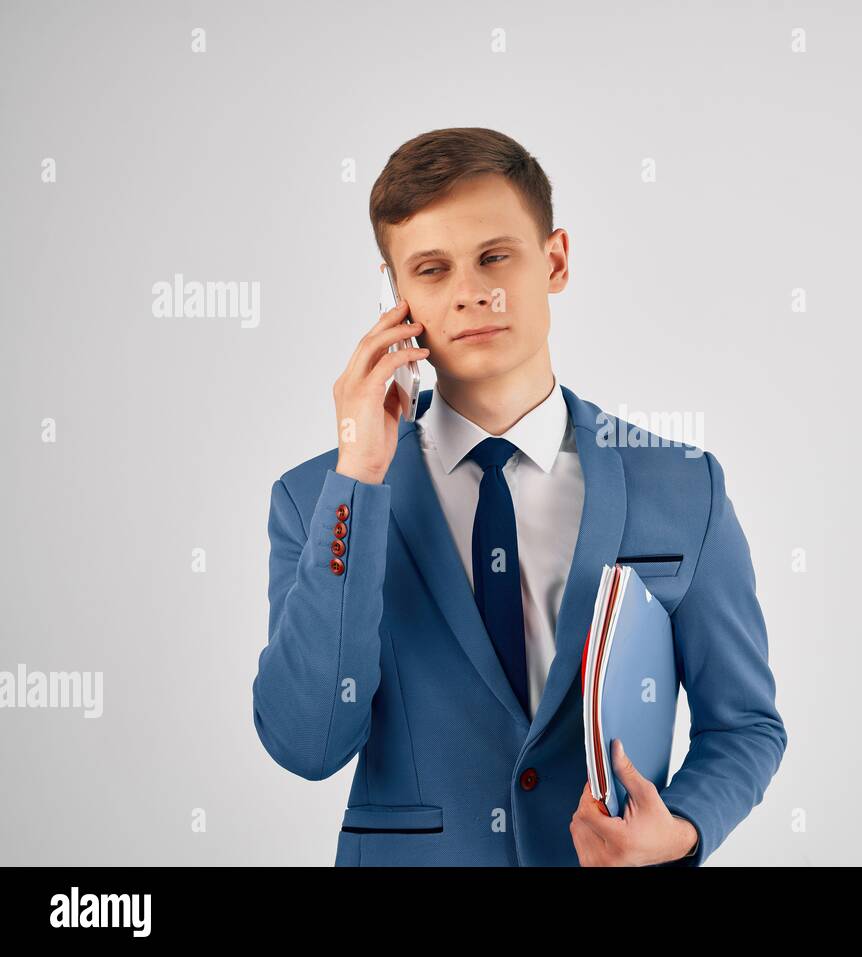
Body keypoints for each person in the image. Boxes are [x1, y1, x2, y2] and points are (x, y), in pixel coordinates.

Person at [252, 127, 787, 866]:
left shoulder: (683, 484)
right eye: (432, 269)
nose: (471, 291)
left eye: (495, 257)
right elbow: (308, 742)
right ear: (394, 295)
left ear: (555, 259)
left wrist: (683, 827)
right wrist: (360, 477)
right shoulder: (317, 498)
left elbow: (745, 724)